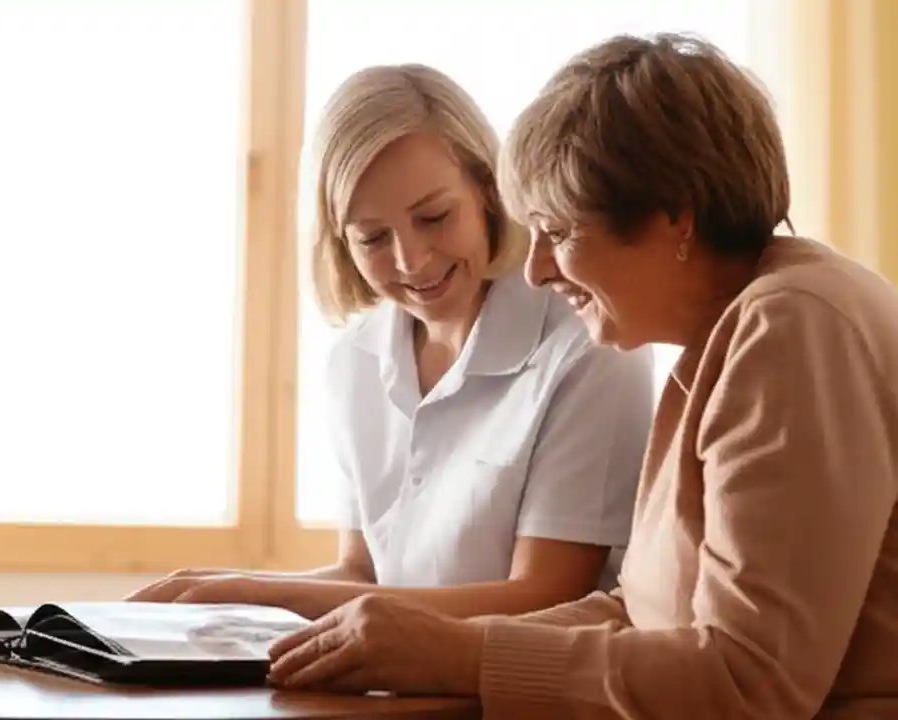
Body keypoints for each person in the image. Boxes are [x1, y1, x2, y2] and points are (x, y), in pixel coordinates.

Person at [265, 33, 898, 719]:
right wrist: (435, 642)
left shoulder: (795, 324)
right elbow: (640, 615)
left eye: (558, 232)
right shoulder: (725, 341)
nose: (534, 268)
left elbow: (750, 680)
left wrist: (459, 656)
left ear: (675, 218)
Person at [127, 64, 655, 622]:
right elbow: (362, 576)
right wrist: (223, 592)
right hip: (394, 690)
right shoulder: (356, 359)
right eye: (373, 237)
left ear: (489, 191)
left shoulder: (587, 343)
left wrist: (262, 592)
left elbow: (547, 596)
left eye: (434, 217)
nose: (411, 261)